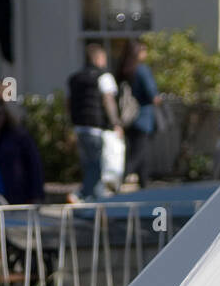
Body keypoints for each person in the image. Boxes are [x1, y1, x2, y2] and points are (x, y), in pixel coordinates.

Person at [67, 43, 122, 201]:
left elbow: (68, 103)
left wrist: (71, 124)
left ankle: (95, 202)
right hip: (95, 127)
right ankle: (81, 195)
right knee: (96, 167)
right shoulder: (103, 76)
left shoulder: (75, 78)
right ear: (98, 58)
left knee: (88, 165)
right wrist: (116, 123)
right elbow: (108, 100)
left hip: (79, 127)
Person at [117, 39, 162, 189]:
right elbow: (152, 94)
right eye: (144, 50)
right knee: (138, 153)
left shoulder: (124, 69)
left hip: (129, 117)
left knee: (141, 153)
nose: (146, 53)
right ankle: (120, 179)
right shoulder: (142, 69)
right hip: (142, 117)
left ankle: (144, 184)